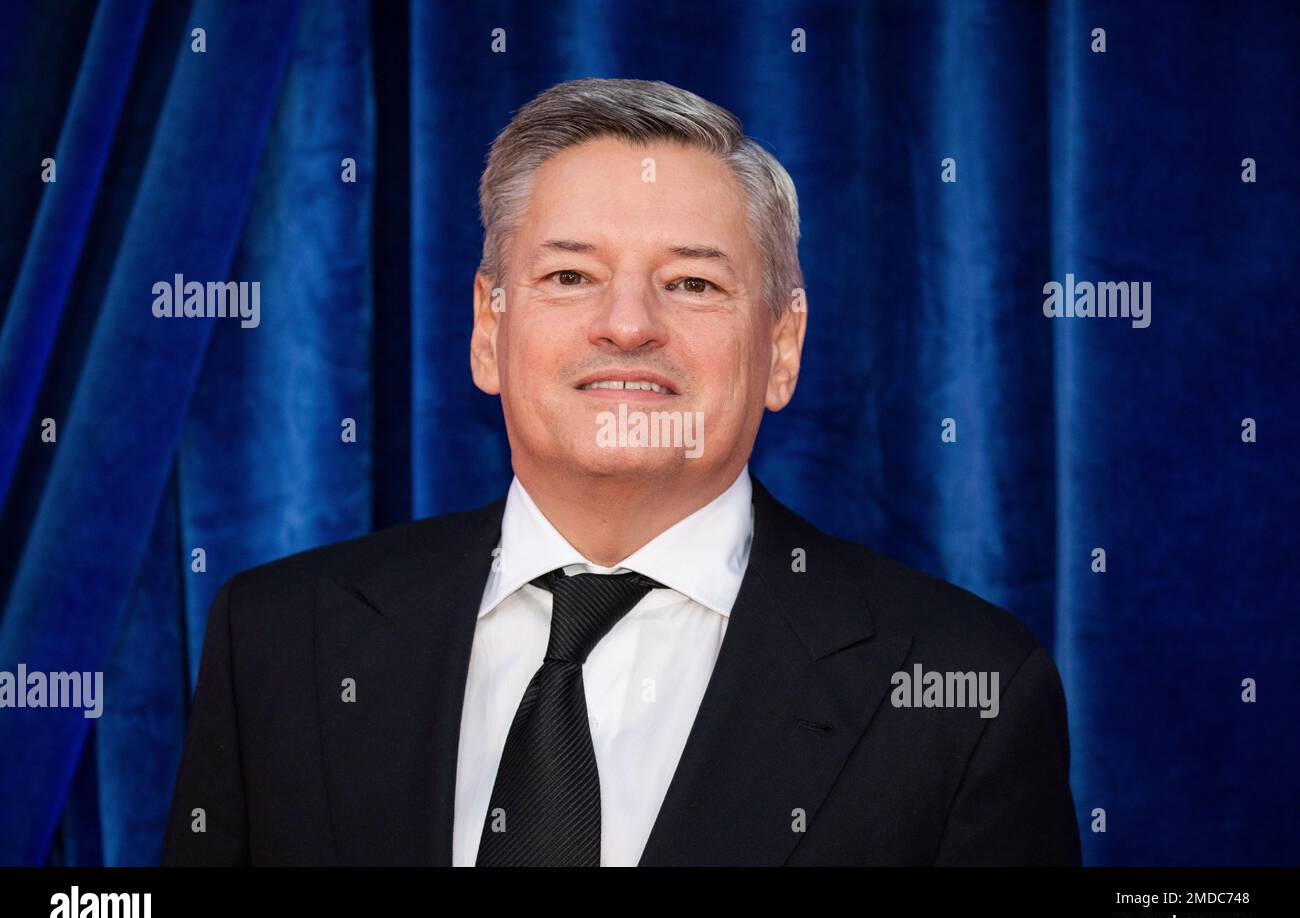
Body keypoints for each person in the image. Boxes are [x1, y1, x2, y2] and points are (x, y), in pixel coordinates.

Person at [161, 77, 1080, 866]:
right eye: (569, 277)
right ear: (488, 329)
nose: (629, 324)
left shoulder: (966, 690)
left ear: (783, 346)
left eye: (692, 283)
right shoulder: (277, 642)